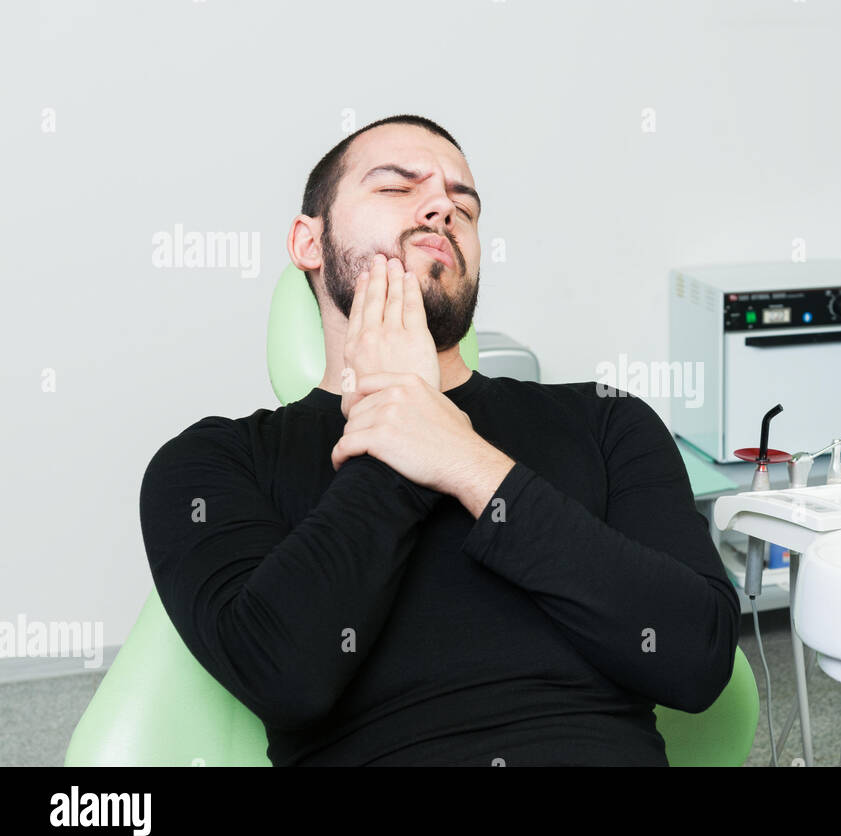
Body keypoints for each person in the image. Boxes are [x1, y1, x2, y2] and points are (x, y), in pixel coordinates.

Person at [138, 114, 741, 766]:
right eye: (398, 188)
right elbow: (284, 675)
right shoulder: (215, 463)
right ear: (308, 242)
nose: (442, 208)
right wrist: (397, 441)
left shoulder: (604, 421)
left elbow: (695, 658)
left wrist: (468, 463)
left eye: (465, 205)